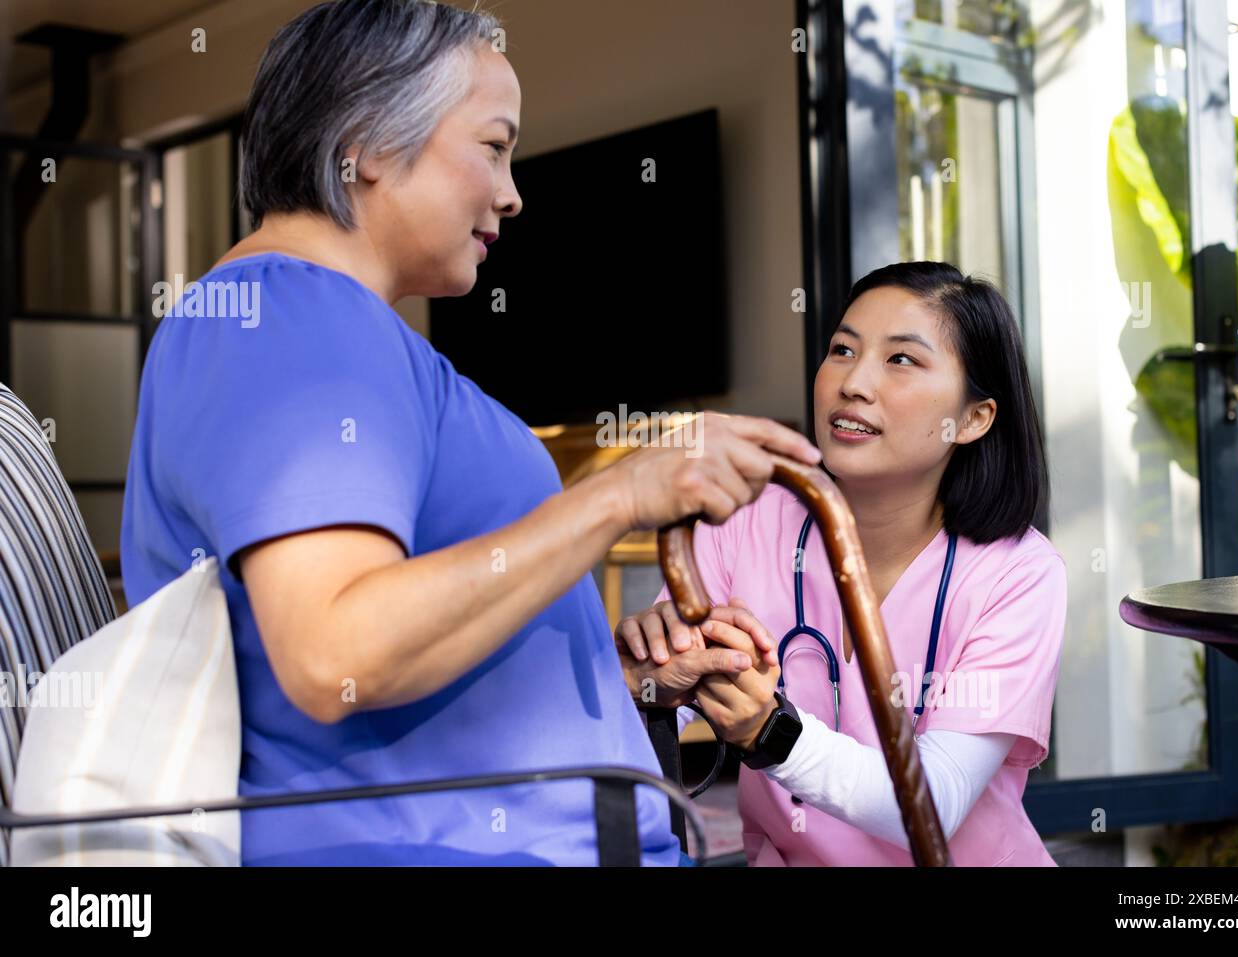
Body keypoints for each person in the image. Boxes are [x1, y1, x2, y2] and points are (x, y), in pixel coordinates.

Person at [120, 0, 821, 866]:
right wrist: (621, 493)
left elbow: (403, 651)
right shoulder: (289, 315)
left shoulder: (325, 326)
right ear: (370, 143)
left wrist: (626, 675)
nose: (512, 192)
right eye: (493, 146)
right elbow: (338, 648)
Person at [618, 262, 1067, 865]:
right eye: (842, 349)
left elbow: (930, 804)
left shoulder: (1019, 575)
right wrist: (642, 675)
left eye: (901, 359)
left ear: (972, 418)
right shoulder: (741, 518)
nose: (853, 382)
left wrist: (772, 734)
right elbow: (656, 687)